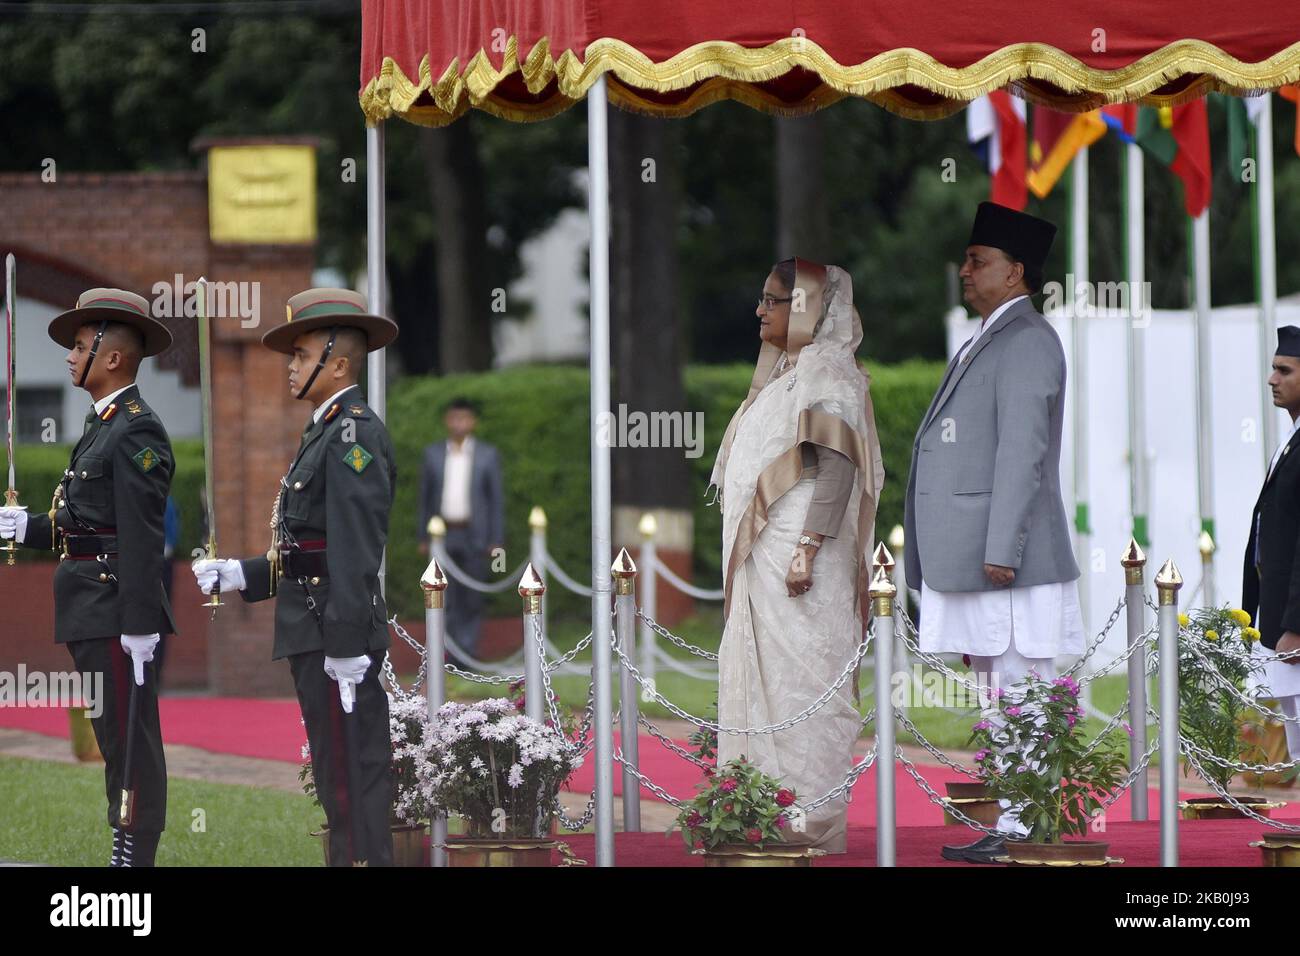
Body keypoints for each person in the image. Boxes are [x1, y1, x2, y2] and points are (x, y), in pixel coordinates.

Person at [191, 288, 398, 866]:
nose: (291, 366)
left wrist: (347, 641)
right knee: (336, 771)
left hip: (334, 631)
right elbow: (307, 548)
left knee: (354, 773)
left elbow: (356, 548)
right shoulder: (324, 431)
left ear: (338, 363)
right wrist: (239, 574)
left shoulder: (352, 434)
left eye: (302, 355)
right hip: (316, 624)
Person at [903, 202, 1083, 863]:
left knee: (1020, 689)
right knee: (1000, 692)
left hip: (1008, 559)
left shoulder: (1028, 340)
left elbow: (1023, 452)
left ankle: (1026, 823)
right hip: (985, 557)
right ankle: (1016, 816)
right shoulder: (990, 337)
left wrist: (1002, 549)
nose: (964, 270)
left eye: (978, 262)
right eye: (966, 260)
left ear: (1016, 273)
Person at [710, 257, 885, 853]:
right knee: (765, 687)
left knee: (803, 689)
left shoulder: (828, 372)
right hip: (770, 554)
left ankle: (806, 822)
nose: (760, 310)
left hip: (801, 560)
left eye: (772, 299)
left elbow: (837, 467)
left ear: (806, 306)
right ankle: (757, 809)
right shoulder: (788, 372)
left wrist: (806, 550)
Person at [0, 288, 176, 867]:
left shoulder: (135, 432)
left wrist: (140, 624)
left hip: (115, 612)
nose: (71, 358)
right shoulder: (100, 427)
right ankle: (123, 844)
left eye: (80, 346)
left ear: (114, 357)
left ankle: (133, 853)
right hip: (90, 608)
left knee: (130, 742)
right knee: (112, 737)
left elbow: (141, 538)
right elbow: (83, 527)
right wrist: (25, 527)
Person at [1243, 326, 1300, 759]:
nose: (1272, 379)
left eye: (1284, 370)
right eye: (1273, 368)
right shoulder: (1290, 439)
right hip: (1278, 614)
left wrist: (1295, 624)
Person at [417, 397, 504, 659]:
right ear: (447, 420)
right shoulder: (433, 454)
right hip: (443, 533)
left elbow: (496, 500)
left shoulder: (487, 454)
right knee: (445, 593)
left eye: (464, 418)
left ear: (473, 422)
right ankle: (449, 651)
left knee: (472, 594)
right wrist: (423, 536)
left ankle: (468, 650)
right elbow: (425, 498)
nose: (459, 424)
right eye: (454, 418)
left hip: (474, 534)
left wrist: (496, 540)